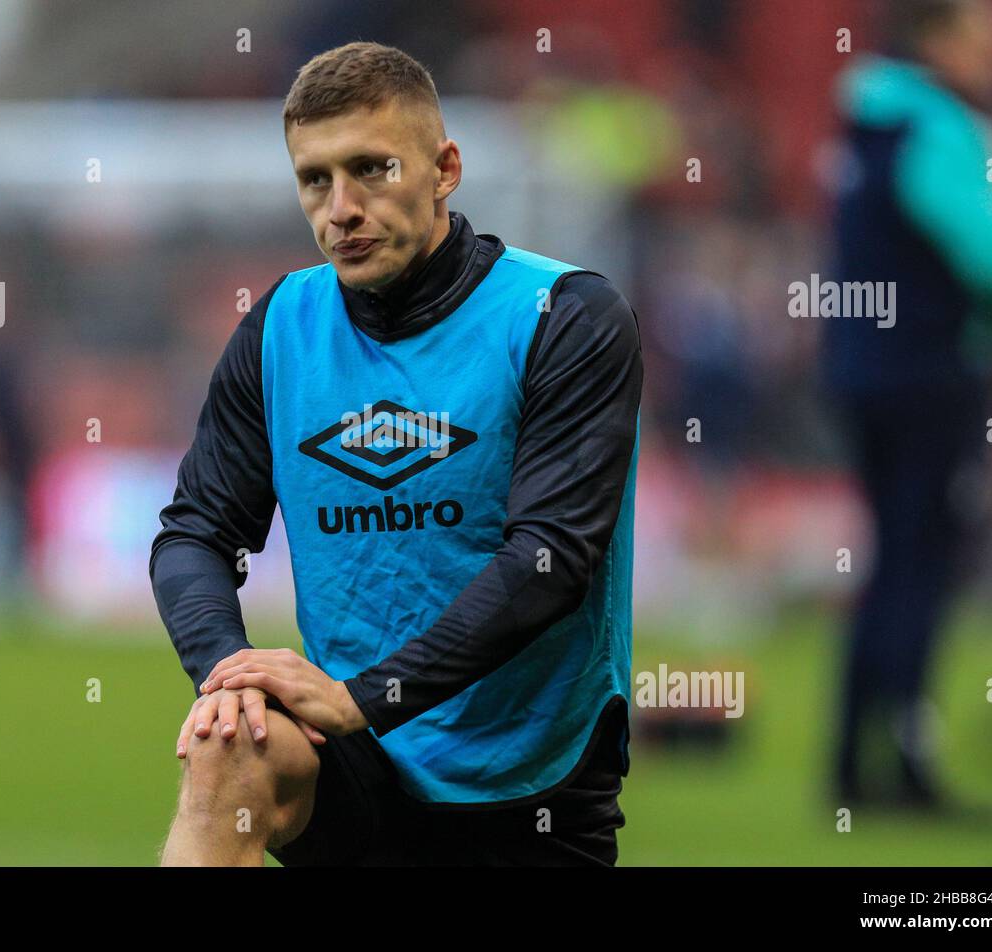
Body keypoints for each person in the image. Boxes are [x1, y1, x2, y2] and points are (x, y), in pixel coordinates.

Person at [150, 41, 643, 865]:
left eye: (371, 169)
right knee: (228, 747)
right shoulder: (281, 327)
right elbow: (195, 533)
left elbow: (552, 561)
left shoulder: (564, 314)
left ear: (444, 168)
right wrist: (227, 672)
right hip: (356, 761)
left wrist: (366, 697)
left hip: (532, 789)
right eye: (315, 179)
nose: (340, 208)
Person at [823, 0, 992, 809]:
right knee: (919, 572)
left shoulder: (867, 121)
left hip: (865, 370)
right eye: (979, 38)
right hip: (932, 375)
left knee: (888, 568)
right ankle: (905, 771)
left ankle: (850, 764)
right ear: (935, 39)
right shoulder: (939, 129)